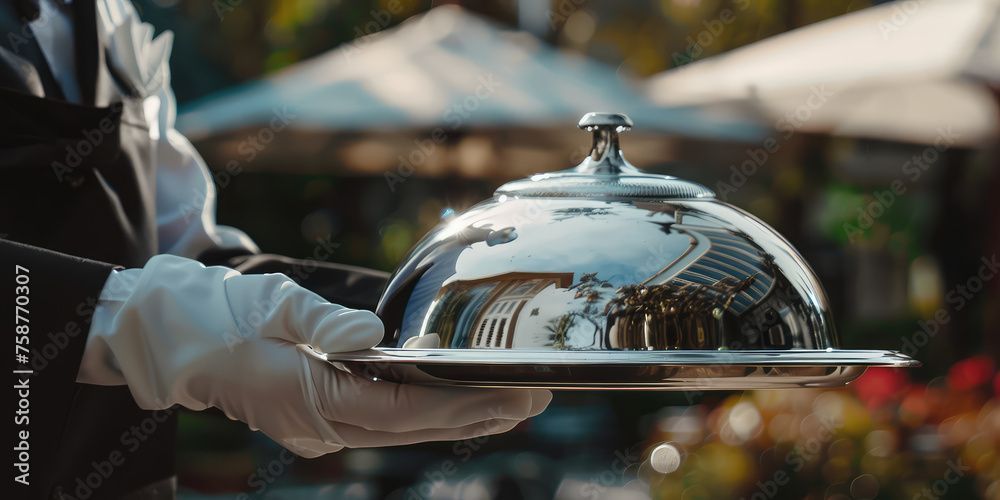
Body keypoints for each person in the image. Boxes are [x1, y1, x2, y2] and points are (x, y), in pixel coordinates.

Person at [1, 1, 551, 498]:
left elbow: (184, 255)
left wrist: (437, 304)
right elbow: (166, 301)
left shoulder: (107, 14)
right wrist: (143, 328)